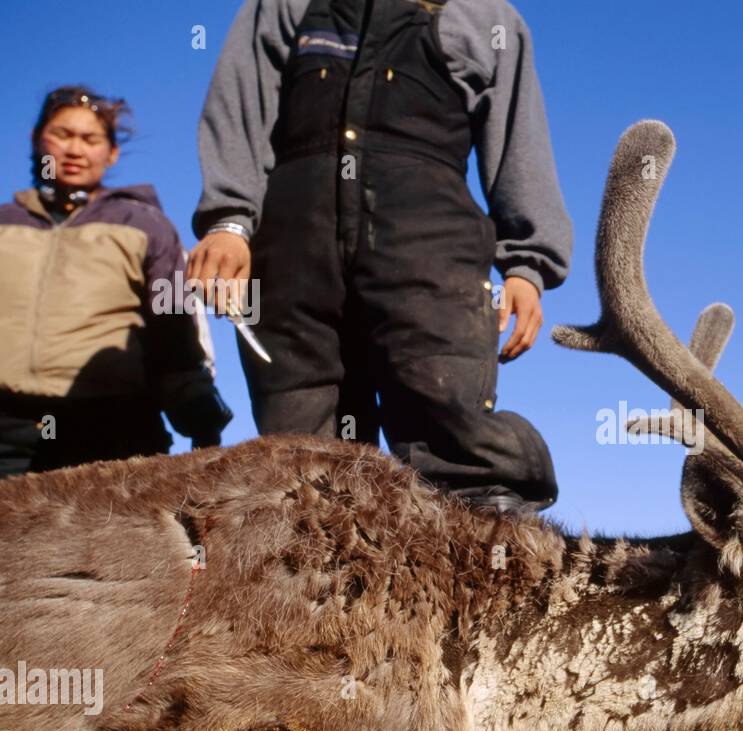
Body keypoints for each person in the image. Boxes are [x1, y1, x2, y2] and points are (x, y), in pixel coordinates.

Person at [188, 0, 573, 513]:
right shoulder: (285, 6)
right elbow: (241, 107)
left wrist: (528, 265)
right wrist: (229, 222)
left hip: (430, 257)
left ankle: (486, 573)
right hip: (291, 260)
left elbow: (518, 140)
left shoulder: (486, 17)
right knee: (303, 477)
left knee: (455, 448)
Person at [0, 86, 232, 478]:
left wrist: (199, 413)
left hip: (114, 431)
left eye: (90, 139)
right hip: (7, 432)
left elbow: (174, 325)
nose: (75, 150)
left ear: (111, 153)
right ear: (37, 139)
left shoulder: (146, 224)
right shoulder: (6, 223)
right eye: (62, 134)